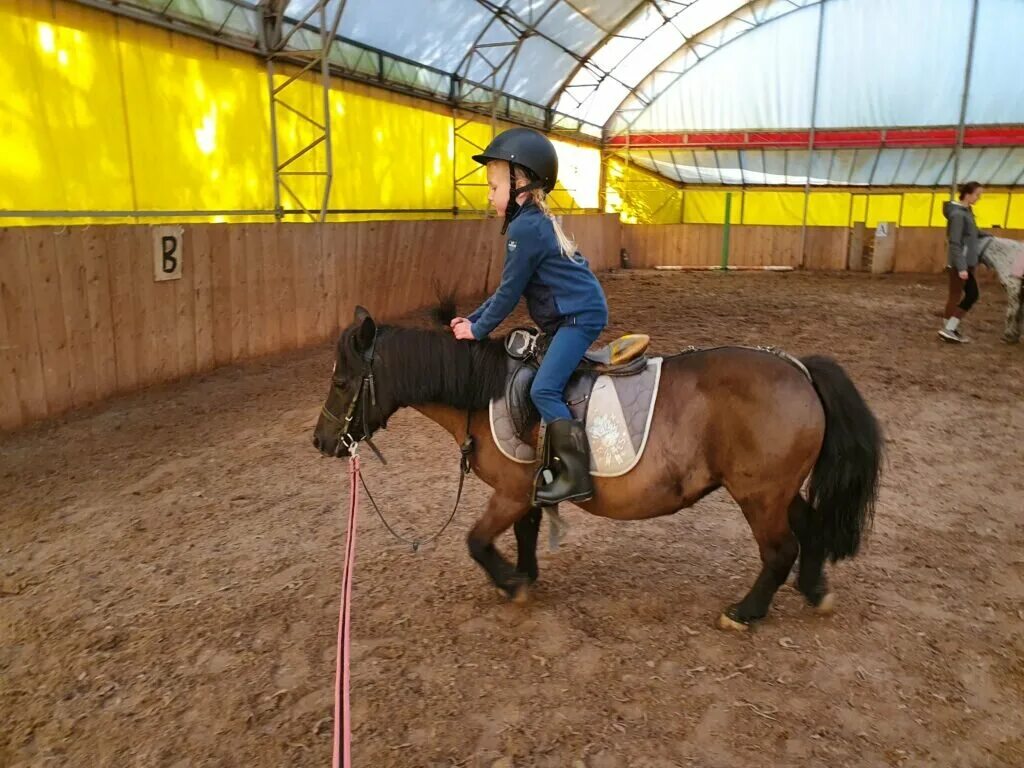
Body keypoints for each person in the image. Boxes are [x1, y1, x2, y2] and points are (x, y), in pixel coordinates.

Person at [449, 128, 609, 505]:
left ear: (520, 184)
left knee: (543, 389)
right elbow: (506, 288)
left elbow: (508, 295)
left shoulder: (524, 228)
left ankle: (574, 475)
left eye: (493, 187)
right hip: (570, 316)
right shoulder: (531, 222)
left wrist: (478, 330)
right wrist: (471, 319)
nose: (489, 195)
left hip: (578, 319)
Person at [939, 181, 984, 343]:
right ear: (968, 194)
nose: (979, 198)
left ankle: (948, 328)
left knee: (957, 294)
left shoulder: (967, 212)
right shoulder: (958, 215)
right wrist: (962, 267)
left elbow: (973, 232)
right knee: (970, 295)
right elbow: (955, 242)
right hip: (961, 263)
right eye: (977, 195)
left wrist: (990, 236)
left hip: (966, 262)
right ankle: (949, 328)